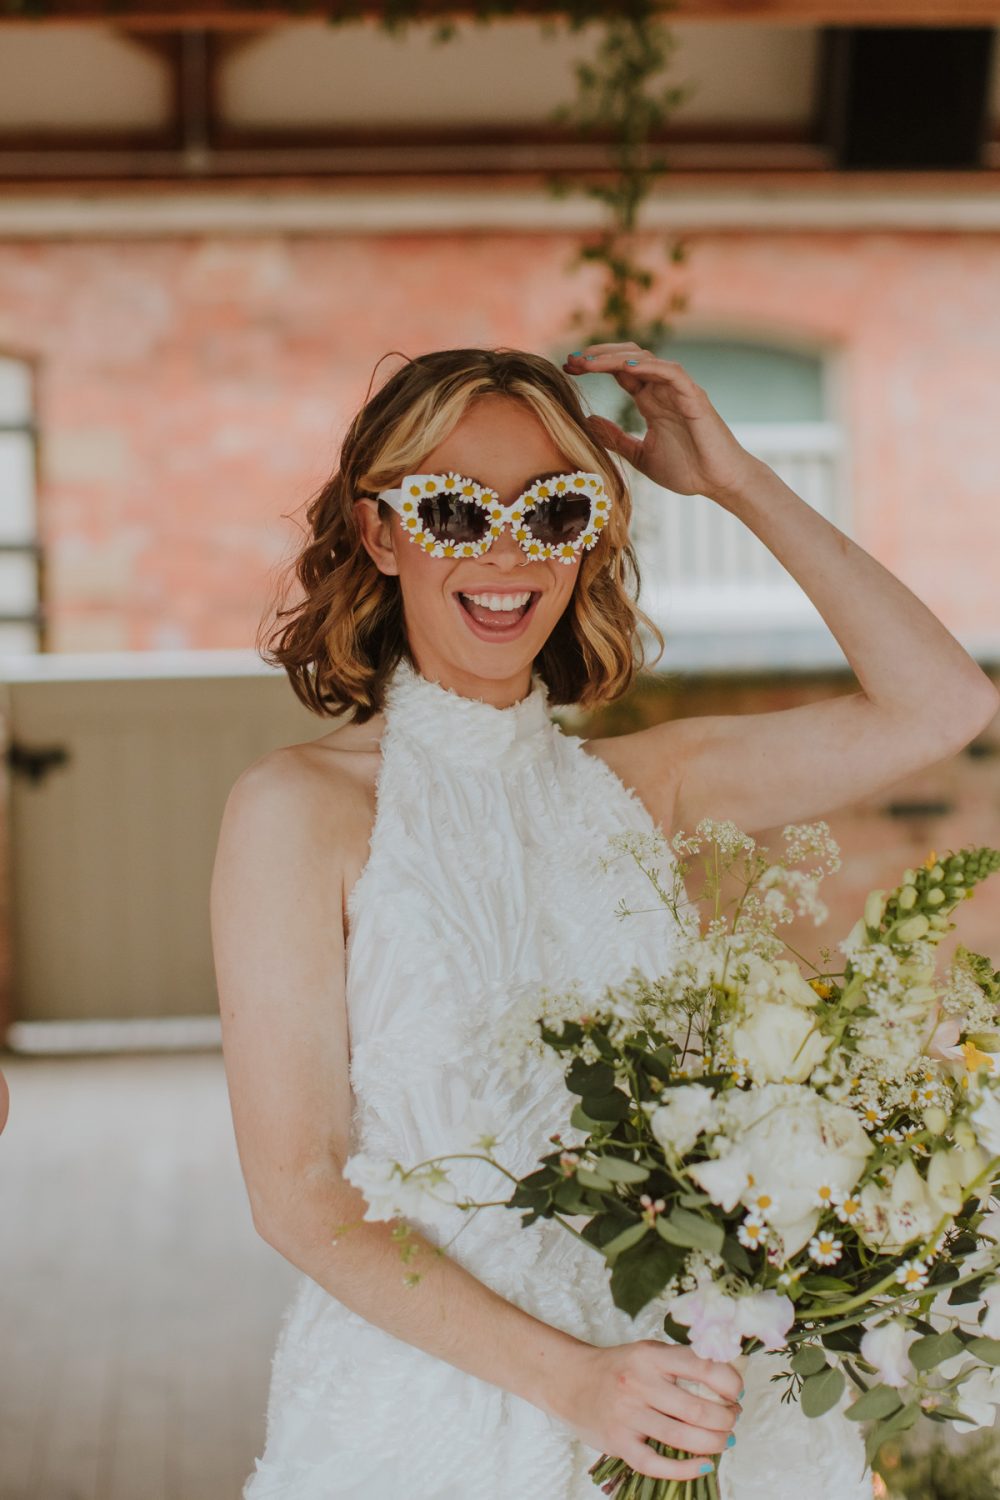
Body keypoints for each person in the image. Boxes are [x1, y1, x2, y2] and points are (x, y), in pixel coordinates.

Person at [210, 344, 999, 1500]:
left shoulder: (646, 788)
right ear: (380, 536)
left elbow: (945, 701)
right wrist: (574, 1382)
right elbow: (300, 1194)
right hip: (442, 1413)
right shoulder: (298, 811)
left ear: (591, 537)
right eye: (450, 509)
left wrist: (735, 479)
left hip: (699, 1389)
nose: (507, 552)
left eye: (556, 510)